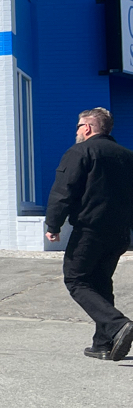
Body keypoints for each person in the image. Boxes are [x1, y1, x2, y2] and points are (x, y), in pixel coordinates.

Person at [46, 107, 133, 359]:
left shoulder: (80, 152)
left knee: (76, 280)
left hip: (90, 231)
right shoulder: (127, 157)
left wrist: (53, 225)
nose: (76, 131)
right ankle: (103, 344)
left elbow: (64, 190)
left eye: (78, 126)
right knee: (100, 283)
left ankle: (117, 324)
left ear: (87, 128)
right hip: (119, 234)